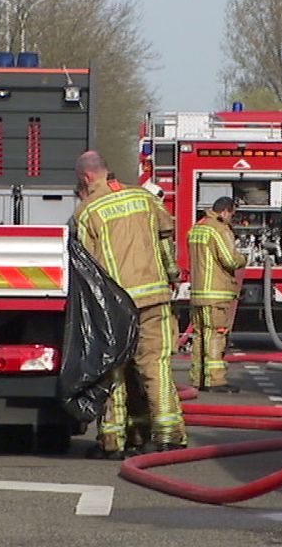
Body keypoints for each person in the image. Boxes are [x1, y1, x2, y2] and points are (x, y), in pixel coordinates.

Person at [73, 151, 187, 459]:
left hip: (117, 306)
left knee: (113, 371)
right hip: (156, 297)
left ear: (86, 178)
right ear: (107, 171)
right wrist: (172, 273)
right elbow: (166, 238)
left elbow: (87, 266)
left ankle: (112, 442)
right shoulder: (144, 198)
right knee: (156, 367)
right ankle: (168, 435)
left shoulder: (86, 212)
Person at [187, 196, 247, 392]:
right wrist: (244, 258)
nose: (231, 218)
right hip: (216, 294)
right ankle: (215, 380)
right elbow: (230, 260)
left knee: (199, 335)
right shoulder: (219, 229)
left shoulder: (197, 227)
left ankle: (198, 379)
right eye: (232, 214)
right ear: (225, 211)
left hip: (197, 293)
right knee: (216, 335)